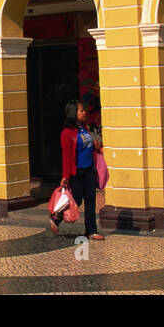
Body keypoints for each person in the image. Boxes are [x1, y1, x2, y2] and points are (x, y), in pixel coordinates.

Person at [50, 99, 104, 240]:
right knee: (75, 200)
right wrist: (65, 176)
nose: (84, 112)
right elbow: (67, 157)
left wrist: (96, 145)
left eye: (83, 110)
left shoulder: (85, 129)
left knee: (91, 200)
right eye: (81, 110)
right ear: (73, 113)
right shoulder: (67, 133)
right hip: (76, 172)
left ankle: (92, 230)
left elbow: (90, 146)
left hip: (89, 170)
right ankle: (56, 218)